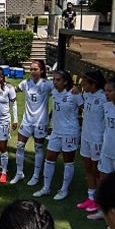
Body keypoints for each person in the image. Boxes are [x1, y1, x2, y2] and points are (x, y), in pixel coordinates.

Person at [32, 70, 82, 201]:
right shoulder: (53, 91)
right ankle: (46, 188)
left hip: (70, 132)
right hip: (55, 131)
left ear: (65, 81)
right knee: (49, 158)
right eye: (54, 79)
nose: (54, 82)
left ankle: (64, 189)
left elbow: (84, 110)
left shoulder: (74, 94)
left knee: (68, 161)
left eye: (58, 80)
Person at [13, 60, 53, 185]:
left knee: (39, 148)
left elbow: (60, 92)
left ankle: (36, 176)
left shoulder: (48, 84)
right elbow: (15, 89)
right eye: (31, 69)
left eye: (35, 69)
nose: (33, 72)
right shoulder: (25, 83)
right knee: (19, 145)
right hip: (27, 121)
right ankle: (19, 173)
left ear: (42, 70)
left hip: (40, 122)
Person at [77, 71, 108, 217]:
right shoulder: (87, 95)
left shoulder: (103, 98)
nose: (83, 86)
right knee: (88, 167)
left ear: (94, 84)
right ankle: (90, 197)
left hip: (97, 139)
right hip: (86, 137)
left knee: (97, 170)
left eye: (85, 83)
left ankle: (99, 199)